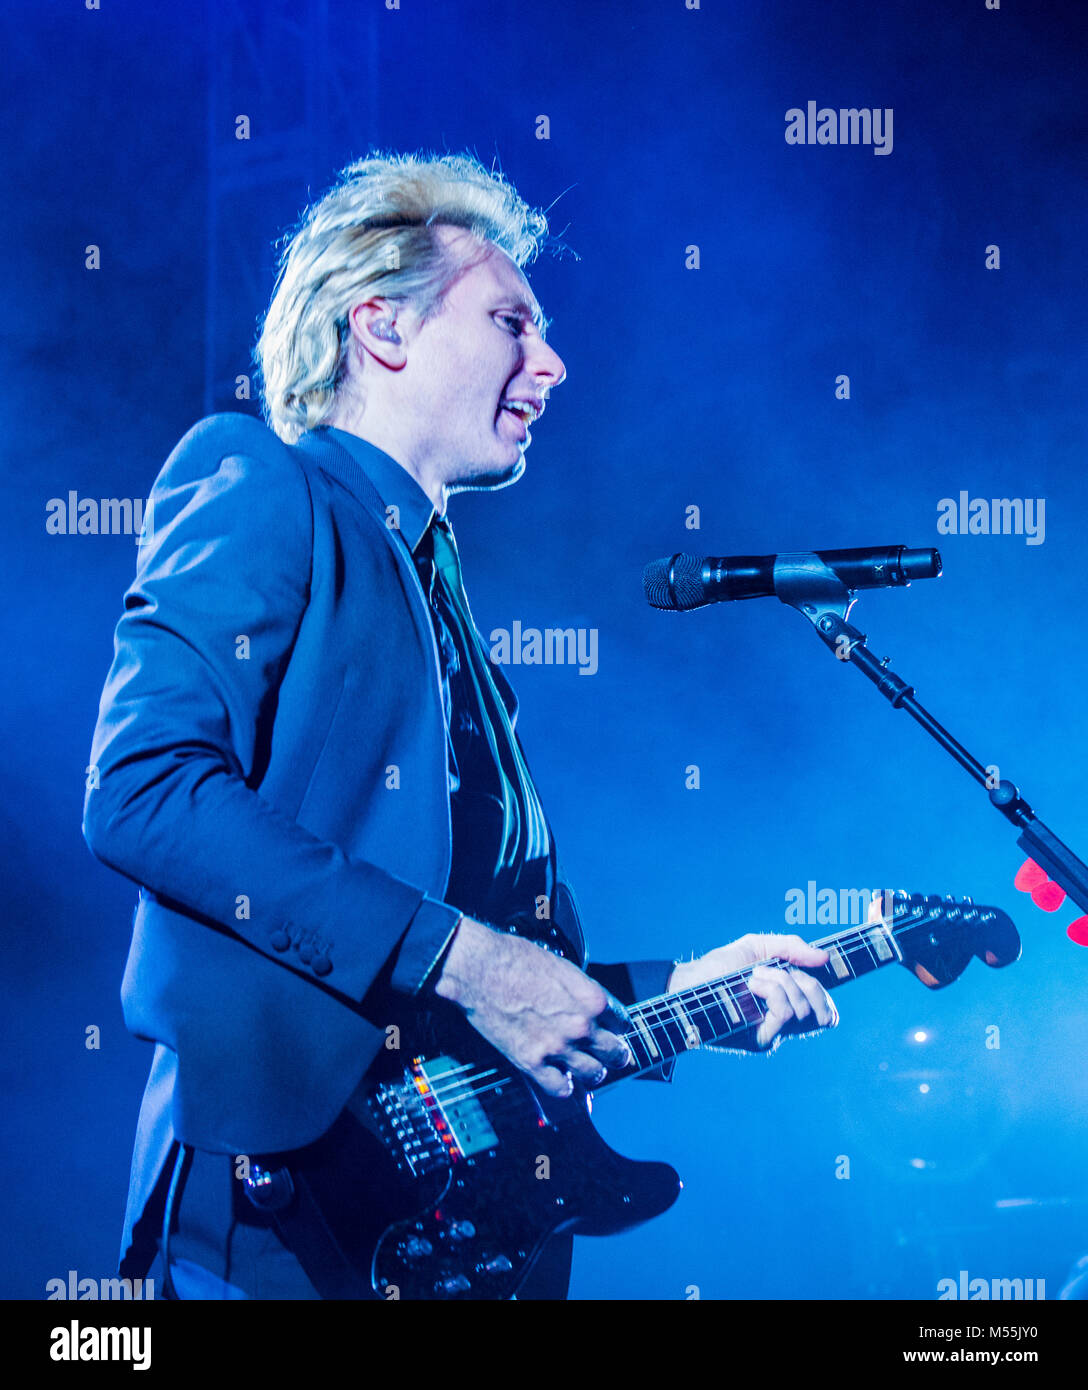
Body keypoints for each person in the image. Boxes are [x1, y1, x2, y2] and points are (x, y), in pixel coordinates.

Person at [83, 151, 837, 1300]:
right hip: (281, 1219)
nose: (552, 363)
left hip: (452, 1242)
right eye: (510, 322)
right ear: (379, 326)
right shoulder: (260, 483)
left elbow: (476, 983)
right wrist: (468, 957)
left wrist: (685, 987)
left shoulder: (436, 585)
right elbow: (141, 789)